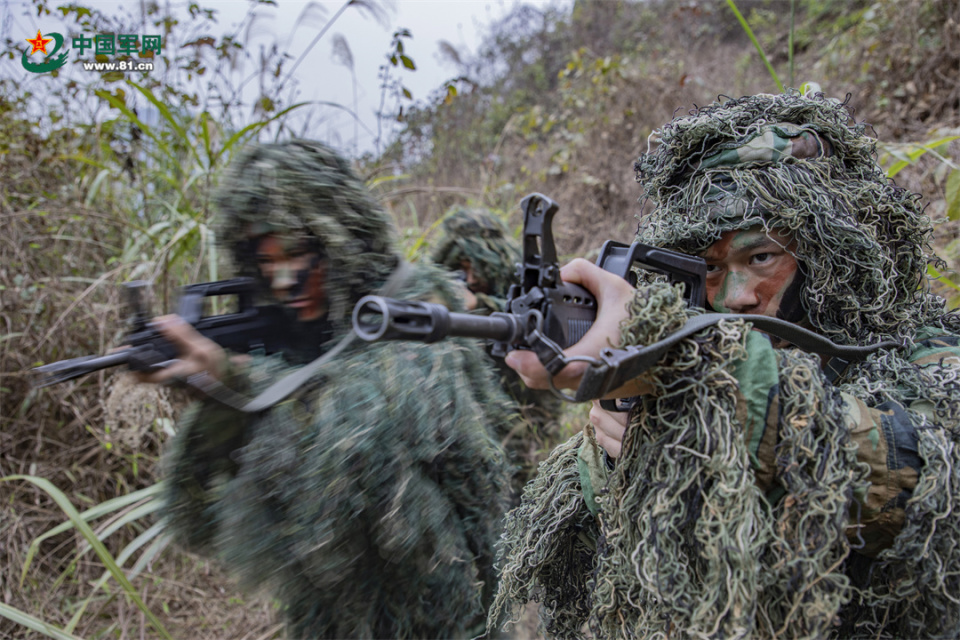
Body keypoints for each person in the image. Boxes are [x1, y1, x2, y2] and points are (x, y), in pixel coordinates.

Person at [488, 89, 960, 639]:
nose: (735, 296)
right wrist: (624, 454)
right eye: (710, 269)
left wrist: (705, 384)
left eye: (761, 257)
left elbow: (926, 474)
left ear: (831, 252)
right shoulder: (681, 377)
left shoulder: (924, 355)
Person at [139, 140, 513, 639]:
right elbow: (203, 516)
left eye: (297, 252)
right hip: (330, 607)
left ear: (339, 232)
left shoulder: (414, 301)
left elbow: (371, 430)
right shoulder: (291, 328)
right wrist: (218, 395)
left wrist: (240, 379)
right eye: (266, 261)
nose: (285, 279)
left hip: (441, 598)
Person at [430, 206, 564, 492]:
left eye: (472, 266)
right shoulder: (462, 284)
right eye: (460, 267)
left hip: (527, 413)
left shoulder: (526, 279)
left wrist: (475, 308)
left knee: (523, 486)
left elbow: (530, 327)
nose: (470, 278)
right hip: (478, 415)